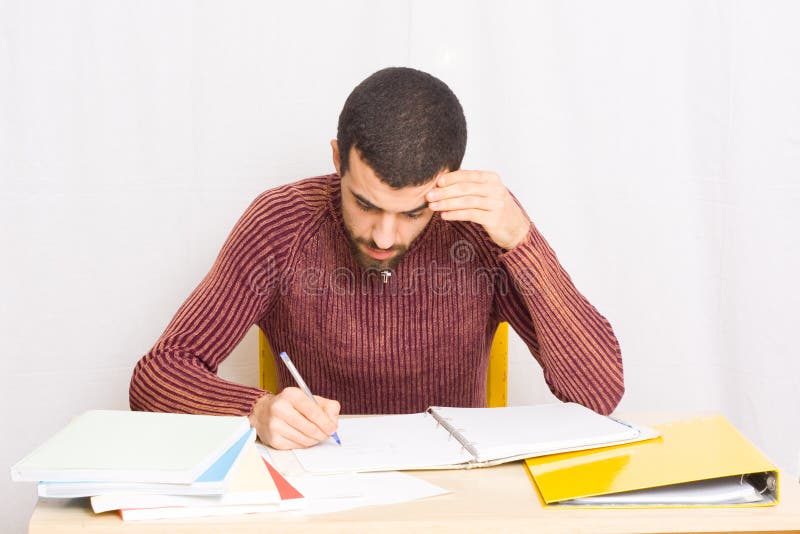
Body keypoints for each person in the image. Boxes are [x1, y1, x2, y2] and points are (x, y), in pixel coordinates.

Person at [129, 67, 624, 450]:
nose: (384, 236)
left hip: (458, 499)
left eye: (412, 212)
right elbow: (157, 376)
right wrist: (255, 411)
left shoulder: (481, 229)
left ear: (447, 180)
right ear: (336, 160)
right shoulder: (280, 224)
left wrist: (522, 242)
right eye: (364, 204)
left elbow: (598, 393)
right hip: (320, 485)